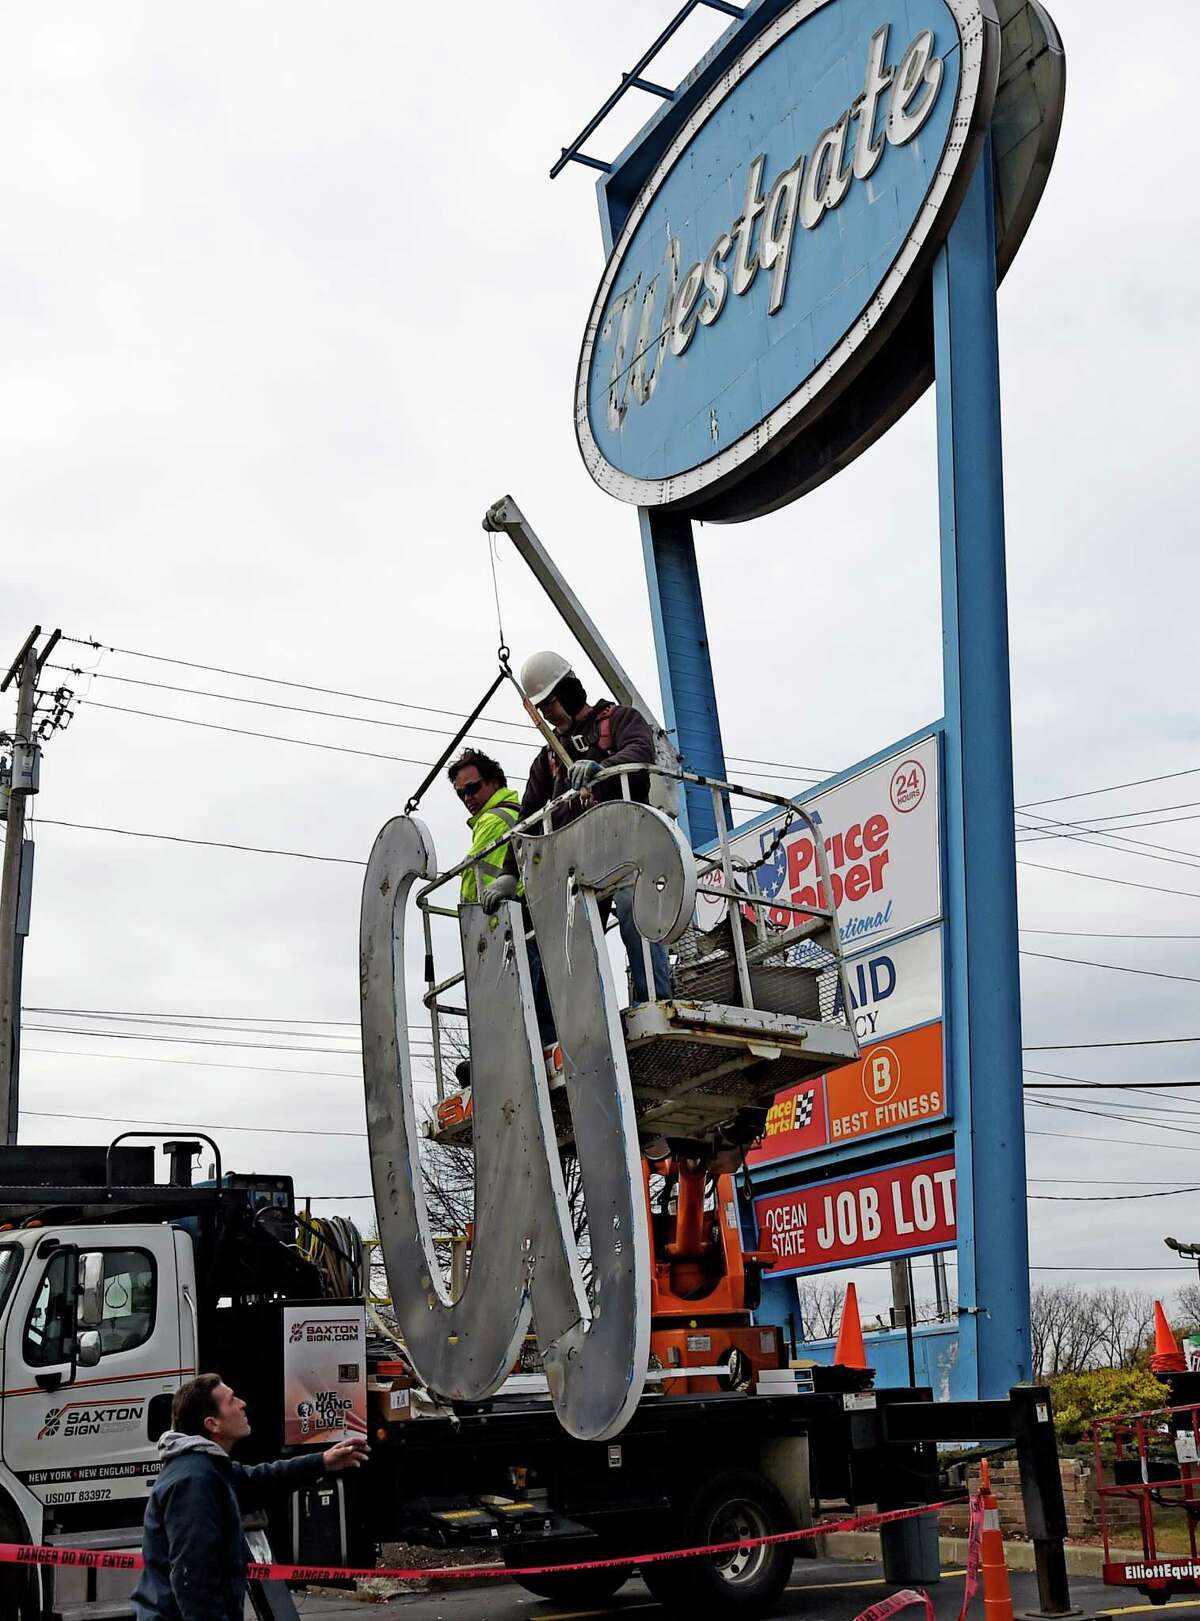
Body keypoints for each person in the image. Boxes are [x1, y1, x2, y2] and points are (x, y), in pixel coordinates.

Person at [131, 1373, 368, 1621]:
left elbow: (259, 1481)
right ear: (213, 1424)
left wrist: (321, 1462)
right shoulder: (194, 1482)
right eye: (232, 1400)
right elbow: (195, 1580)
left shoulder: (208, 1467)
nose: (242, 1404)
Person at [512, 650, 672, 1006]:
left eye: (549, 705)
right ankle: (588, 1017)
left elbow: (641, 750)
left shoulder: (619, 720)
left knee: (636, 912)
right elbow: (528, 819)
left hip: (627, 852)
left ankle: (654, 1001)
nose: (548, 716)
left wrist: (603, 767)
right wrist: (510, 873)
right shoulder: (549, 758)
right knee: (575, 941)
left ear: (569, 693)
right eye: (541, 710)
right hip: (579, 866)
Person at [448, 747, 556, 1058]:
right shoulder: (515, 811)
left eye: (473, 788)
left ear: (494, 782)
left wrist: (474, 930)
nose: (468, 798)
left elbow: (474, 880)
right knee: (541, 1007)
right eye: (461, 795)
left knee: (518, 1007)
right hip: (531, 916)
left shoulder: (494, 820)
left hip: (510, 923)